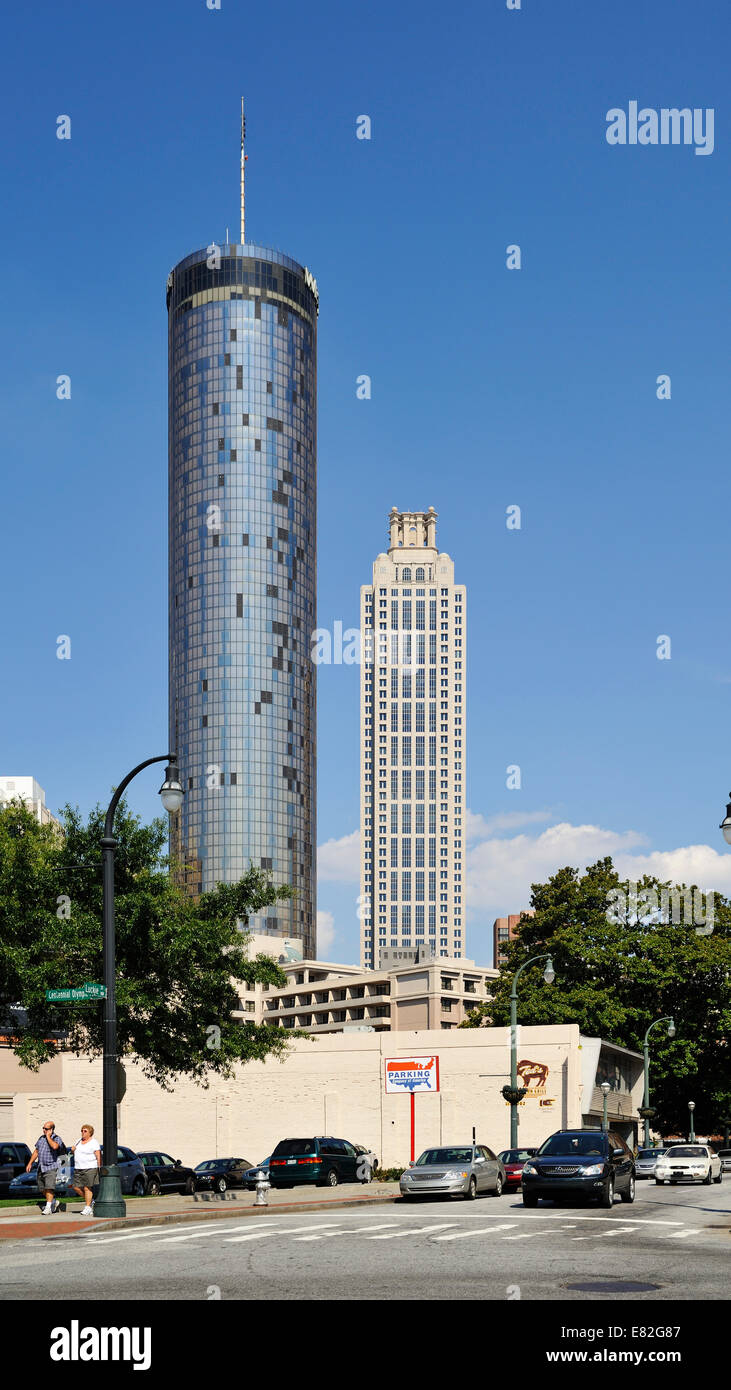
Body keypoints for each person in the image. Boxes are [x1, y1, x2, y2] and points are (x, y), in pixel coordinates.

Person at [27, 1119, 65, 1214]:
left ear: (51, 1129)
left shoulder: (56, 1138)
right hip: (41, 1166)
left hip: (51, 1166)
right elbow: (36, 1151)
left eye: (46, 1128)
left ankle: (48, 1208)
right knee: (41, 1188)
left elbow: (55, 1147)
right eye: (43, 1128)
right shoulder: (41, 1138)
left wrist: (48, 1136)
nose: (44, 1130)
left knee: (49, 1187)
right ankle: (53, 1202)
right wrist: (30, 1163)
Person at [71, 1124, 102, 1215]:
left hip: (90, 1167)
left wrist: (99, 1167)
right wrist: (73, 1150)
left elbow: (98, 1155)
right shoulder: (78, 1141)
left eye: (85, 1131)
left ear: (90, 1133)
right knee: (76, 1187)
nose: (83, 1133)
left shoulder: (94, 1142)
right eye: (82, 1131)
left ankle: (88, 1207)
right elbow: (73, 1153)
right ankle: (91, 1201)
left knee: (87, 1187)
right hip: (78, 1167)